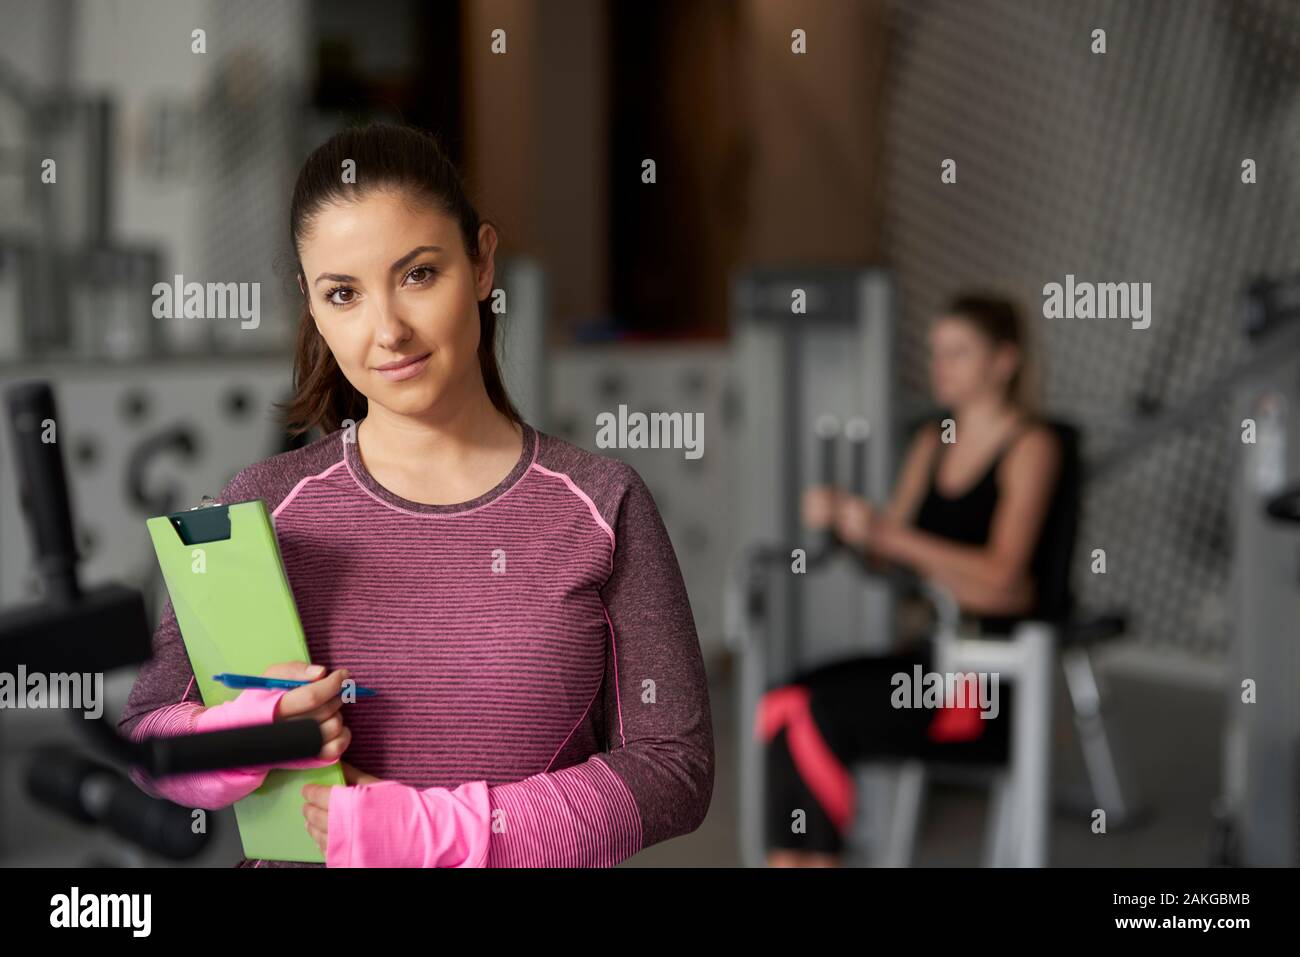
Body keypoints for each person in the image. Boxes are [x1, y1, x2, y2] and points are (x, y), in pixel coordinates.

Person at [117, 123, 714, 868]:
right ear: (312, 303)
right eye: (344, 293)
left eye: (418, 274)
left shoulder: (601, 503)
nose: (388, 330)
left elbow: (673, 767)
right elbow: (146, 740)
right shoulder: (264, 507)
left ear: (482, 260)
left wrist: (435, 832)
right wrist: (253, 728)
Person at [760, 293, 1062, 867]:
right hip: (932, 657)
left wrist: (885, 535)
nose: (939, 367)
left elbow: (1005, 584)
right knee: (784, 701)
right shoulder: (934, 440)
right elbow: (889, 557)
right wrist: (851, 523)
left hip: (987, 689)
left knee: (820, 714)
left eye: (957, 353)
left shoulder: (1033, 446)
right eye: (935, 353)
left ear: (1004, 361)